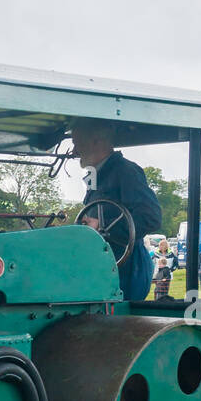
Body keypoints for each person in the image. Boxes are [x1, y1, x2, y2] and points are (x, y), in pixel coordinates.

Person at [70, 119, 161, 301]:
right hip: (107, 264)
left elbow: (150, 218)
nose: (74, 151)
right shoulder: (97, 175)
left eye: (77, 143)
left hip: (127, 267)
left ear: (96, 141)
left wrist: (103, 226)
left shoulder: (126, 171)